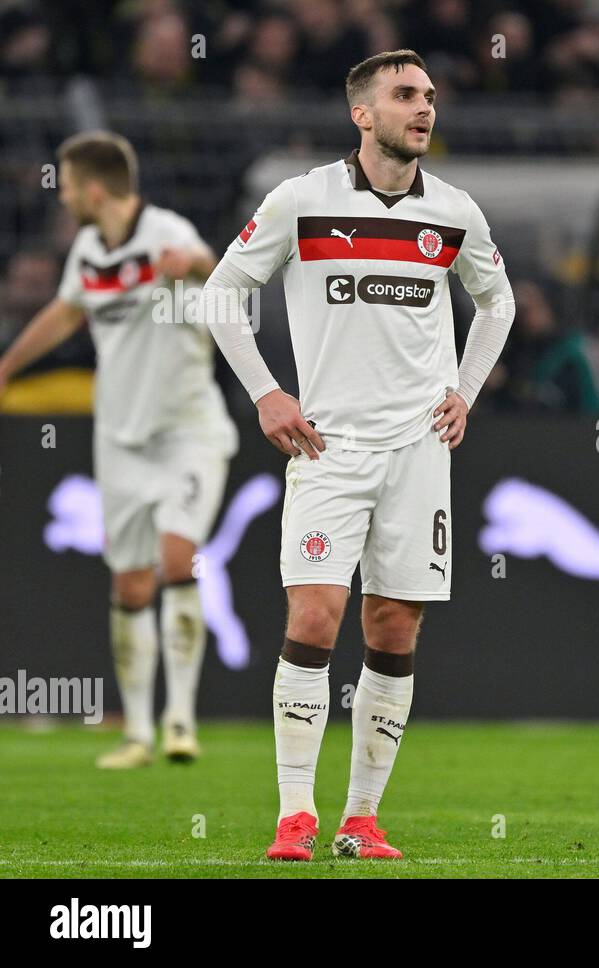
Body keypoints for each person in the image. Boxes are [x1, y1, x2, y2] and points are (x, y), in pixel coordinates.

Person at [200, 49, 514, 861]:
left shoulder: (455, 212)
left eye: (431, 97)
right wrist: (268, 393)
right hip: (328, 446)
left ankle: (362, 819)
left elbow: (497, 300)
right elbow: (222, 294)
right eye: (405, 95)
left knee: (395, 625)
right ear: (362, 114)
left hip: (418, 449)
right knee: (313, 616)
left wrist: (465, 390)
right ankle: (294, 816)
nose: (424, 108)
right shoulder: (302, 200)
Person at [0, 131, 236, 768]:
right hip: (120, 439)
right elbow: (66, 311)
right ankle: (137, 732)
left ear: (94, 188)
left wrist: (193, 266)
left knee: (177, 558)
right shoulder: (87, 248)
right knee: (130, 585)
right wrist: (8, 366)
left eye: (68, 185)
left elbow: (215, 267)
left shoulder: (165, 230)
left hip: (187, 430)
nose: (64, 196)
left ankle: (181, 722)